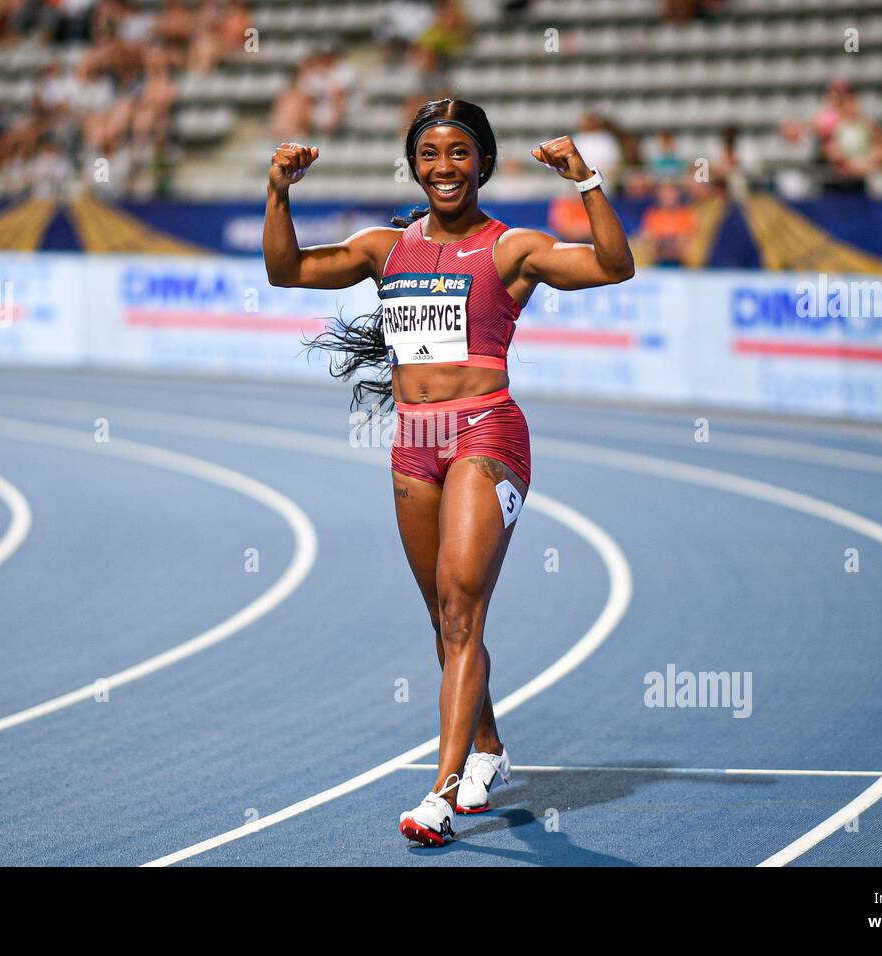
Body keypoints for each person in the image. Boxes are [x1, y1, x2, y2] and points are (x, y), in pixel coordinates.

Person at [263, 98, 635, 847]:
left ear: (484, 163)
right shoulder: (384, 248)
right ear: (414, 164)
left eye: (459, 153)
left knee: (464, 609)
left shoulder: (512, 249)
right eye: (430, 154)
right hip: (414, 440)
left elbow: (612, 266)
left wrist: (585, 180)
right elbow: (285, 271)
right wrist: (278, 191)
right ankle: (489, 749)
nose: (443, 167)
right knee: (443, 616)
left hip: (485, 432)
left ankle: (439, 792)